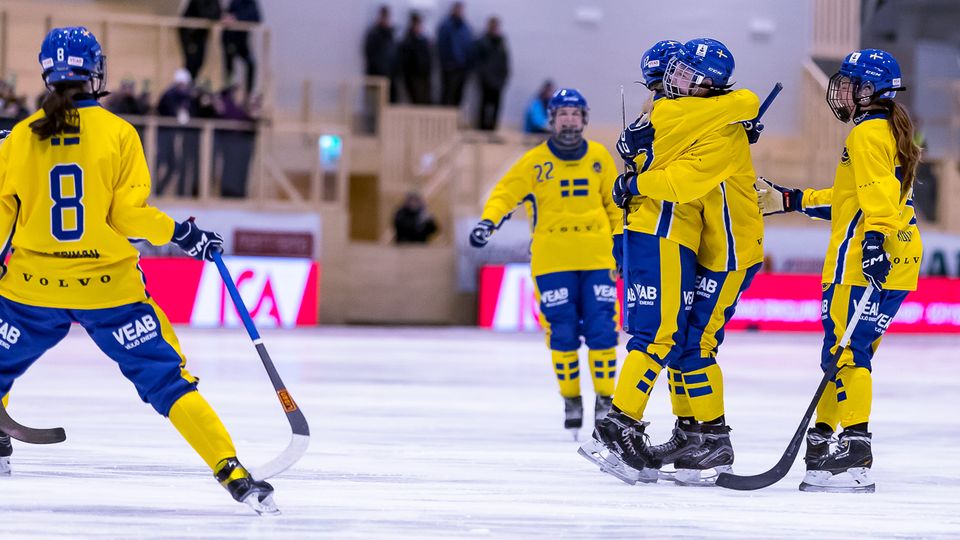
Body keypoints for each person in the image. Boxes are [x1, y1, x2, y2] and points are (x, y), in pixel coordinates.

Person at [0, 27, 276, 513]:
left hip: (31, 290)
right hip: (110, 291)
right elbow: (128, 217)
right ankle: (231, 471)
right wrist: (185, 234)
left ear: (46, 72)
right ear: (95, 72)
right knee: (168, 382)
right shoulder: (119, 133)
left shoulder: (19, 139)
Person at [579, 38, 764, 485]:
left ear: (709, 87)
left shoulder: (701, 117)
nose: (671, 86)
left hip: (725, 252)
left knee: (682, 343)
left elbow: (680, 176)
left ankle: (684, 433)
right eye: (669, 77)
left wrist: (634, 179)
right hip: (684, 241)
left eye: (682, 77)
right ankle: (694, 434)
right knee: (678, 343)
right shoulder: (683, 112)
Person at [754, 49, 921, 493]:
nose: (841, 91)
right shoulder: (887, 129)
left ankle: (855, 447)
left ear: (869, 90)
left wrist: (871, 244)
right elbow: (852, 199)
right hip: (901, 258)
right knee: (845, 356)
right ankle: (824, 441)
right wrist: (792, 200)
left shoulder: (866, 134)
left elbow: (877, 197)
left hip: (863, 263)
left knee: (847, 355)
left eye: (849, 83)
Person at [469, 88, 620, 438]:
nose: (569, 119)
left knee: (602, 331)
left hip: (598, 258)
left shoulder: (600, 156)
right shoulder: (534, 161)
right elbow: (505, 194)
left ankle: (605, 401)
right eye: (562, 113)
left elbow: (615, 207)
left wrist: (621, 248)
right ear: (551, 119)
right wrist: (487, 222)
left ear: (585, 119)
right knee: (562, 333)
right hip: (552, 261)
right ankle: (571, 399)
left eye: (575, 113)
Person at [473, 16, 509, 131]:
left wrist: (503, 78)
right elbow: (478, 63)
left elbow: (505, 62)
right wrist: (484, 77)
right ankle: (482, 129)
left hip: (498, 81)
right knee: (484, 105)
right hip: (486, 81)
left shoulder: (502, 43)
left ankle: (493, 129)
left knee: (496, 106)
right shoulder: (482, 42)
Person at [221, 0, 261, 98]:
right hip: (230, 40)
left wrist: (237, 18)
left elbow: (257, 18)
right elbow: (226, 17)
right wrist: (230, 19)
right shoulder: (234, 2)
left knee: (251, 64)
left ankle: (248, 93)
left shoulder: (252, 3)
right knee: (229, 70)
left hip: (242, 43)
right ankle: (228, 96)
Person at [437, 2, 473, 107]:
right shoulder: (446, 26)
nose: (460, 12)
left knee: (459, 96)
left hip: (462, 68)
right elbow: (441, 46)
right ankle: (445, 120)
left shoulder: (465, 27)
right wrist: (447, 63)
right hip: (450, 67)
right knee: (448, 95)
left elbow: (468, 47)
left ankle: (456, 120)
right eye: (458, 10)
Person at [178, 0, 222, 81]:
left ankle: (191, 85)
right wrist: (215, 16)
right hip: (189, 33)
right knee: (191, 62)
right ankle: (182, 86)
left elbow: (218, 14)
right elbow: (204, 14)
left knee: (200, 62)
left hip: (201, 34)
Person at [364, 4, 398, 104]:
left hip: (390, 75)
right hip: (377, 75)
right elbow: (370, 54)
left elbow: (393, 54)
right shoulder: (374, 33)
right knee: (376, 103)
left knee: (389, 102)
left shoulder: (390, 34)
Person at [397, 11, 432, 105]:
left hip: (424, 76)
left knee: (425, 100)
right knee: (416, 101)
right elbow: (405, 61)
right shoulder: (407, 41)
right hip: (413, 77)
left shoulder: (424, 40)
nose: (420, 27)